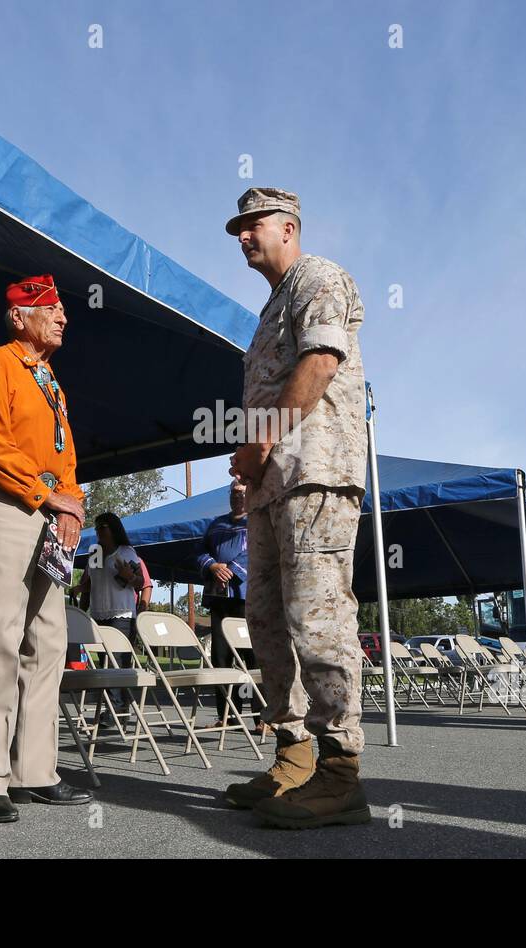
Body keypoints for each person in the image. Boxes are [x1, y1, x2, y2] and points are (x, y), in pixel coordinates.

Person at [224, 187, 370, 829]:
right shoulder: (268, 309)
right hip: (272, 485)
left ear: (289, 226)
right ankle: (294, 755)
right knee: (265, 620)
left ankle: (340, 771)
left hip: (316, 471)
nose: (243, 237)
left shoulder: (319, 276)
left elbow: (318, 363)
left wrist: (256, 445)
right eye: (239, 228)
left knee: (318, 618)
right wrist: (252, 468)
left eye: (252, 225)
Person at [0, 274, 93, 824]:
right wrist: (49, 497)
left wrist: (72, 506)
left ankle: (35, 772)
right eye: (51, 309)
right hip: (9, 507)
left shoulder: (52, 382)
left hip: (49, 513)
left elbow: (67, 459)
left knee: (47, 642)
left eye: (64, 309)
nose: (64, 317)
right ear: (18, 316)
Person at [199, 480, 254, 728]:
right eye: (233, 493)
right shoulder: (216, 524)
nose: (237, 497)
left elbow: (255, 551)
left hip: (245, 597)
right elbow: (199, 552)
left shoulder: (256, 521)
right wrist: (212, 566)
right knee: (221, 657)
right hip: (219, 599)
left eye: (241, 493)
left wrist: (230, 571)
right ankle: (226, 715)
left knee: (250, 657)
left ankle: (259, 717)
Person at [77, 512, 145, 642]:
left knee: (118, 661)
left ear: (114, 528)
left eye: (102, 527)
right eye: (96, 528)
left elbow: (141, 583)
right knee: (104, 661)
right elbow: (92, 583)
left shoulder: (126, 551)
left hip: (121, 616)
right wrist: (78, 589)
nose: (98, 531)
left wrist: (130, 577)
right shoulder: (95, 553)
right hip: (97, 616)